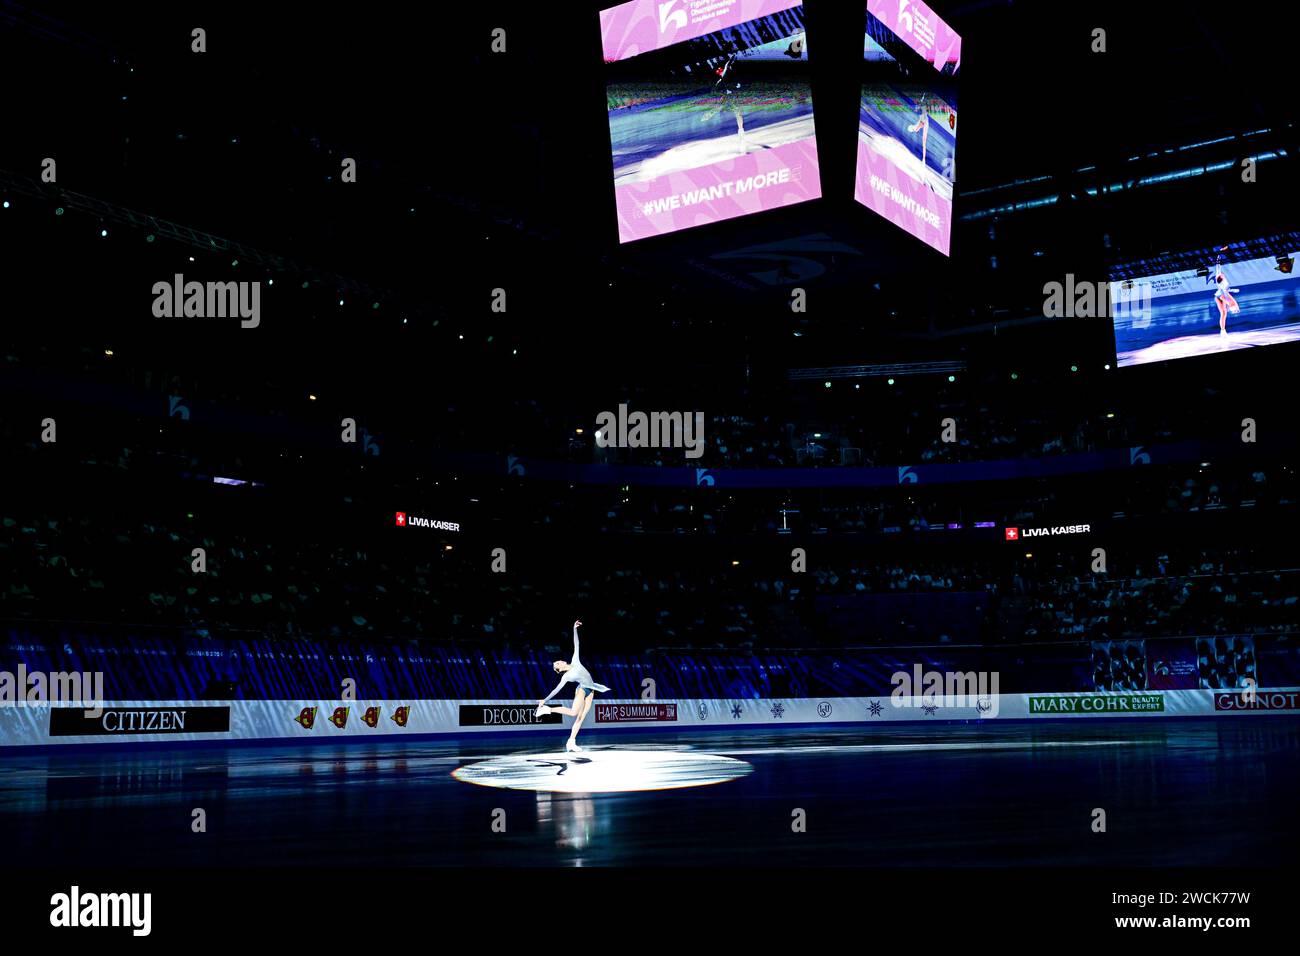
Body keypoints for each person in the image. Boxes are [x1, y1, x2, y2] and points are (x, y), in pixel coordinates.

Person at [535, 620, 611, 752]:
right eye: (557, 664)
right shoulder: (566, 676)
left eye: (557, 661)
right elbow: (556, 690)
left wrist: (574, 629)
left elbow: (577, 644)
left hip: (591, 690)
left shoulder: (575, 661)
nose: (559, 662)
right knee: (574, 712)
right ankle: (547, 709)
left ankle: (571, 742)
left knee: (581, 717)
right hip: (582, 689)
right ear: (560, 670)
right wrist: (544, 700)